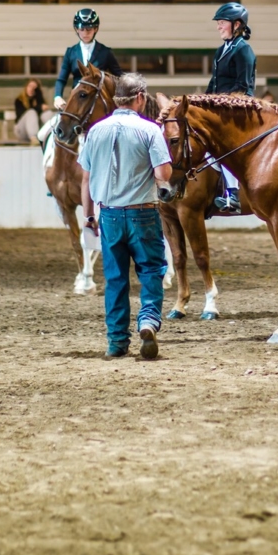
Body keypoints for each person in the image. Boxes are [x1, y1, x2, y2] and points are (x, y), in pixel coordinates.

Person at [77, 72, 173, 360]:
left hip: (109, 215)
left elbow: (86, 178)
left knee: (116, 278)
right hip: (143, 212)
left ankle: (117, 342)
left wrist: (89, 216)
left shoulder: (95, 131)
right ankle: (147, 320)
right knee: (152, 270)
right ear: (140, 97)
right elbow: (163, 174)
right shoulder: (150, 130)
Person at [206, 1, 256, 214]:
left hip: (238, 108)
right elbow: (214, 83)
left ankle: (233, 194)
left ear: (236, 25)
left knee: (223, 146)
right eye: (218, 22)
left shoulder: (243, 50)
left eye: (222, 22)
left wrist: (218, 103)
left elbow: (242, 86)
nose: (218, 26)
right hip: (220, 108)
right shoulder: (221, 50)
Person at [54, 8, 123, 109]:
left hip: (98, 99)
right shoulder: (71, 52)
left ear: (95, 29)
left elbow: (119, 76)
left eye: (89, 29)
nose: (85, 33)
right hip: (78, 98)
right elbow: (61, 79)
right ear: (77, 29)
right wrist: (57, 96)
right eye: (82, 29)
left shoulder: (105, 52)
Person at [14, 79, 51, 145]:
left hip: (38, 131)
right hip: (22, 131)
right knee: (31, 112)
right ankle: (34, 139)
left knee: (47, 113)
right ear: (26, 87)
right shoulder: (19, 100)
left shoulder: (37, 99)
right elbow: (22, 114)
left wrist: (38, 95)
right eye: (30, 86)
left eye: (34, 88)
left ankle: (53, 135)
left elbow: (42, 109)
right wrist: (39, 107)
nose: (31, 89)